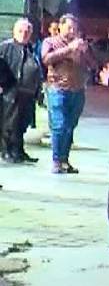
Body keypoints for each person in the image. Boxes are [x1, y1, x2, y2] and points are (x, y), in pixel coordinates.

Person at [39, 13, 95, 174]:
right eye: (69, 27)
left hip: (77, 90)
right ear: (60, 26)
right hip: (58, 89)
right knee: (59, 125)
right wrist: (68, 49)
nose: (72, 31)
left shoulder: (80, 44)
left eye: (75, 28)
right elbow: (46, 59)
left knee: (70, 126)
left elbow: (93, 64)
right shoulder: (51, 42)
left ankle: (65, 160)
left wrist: (85, 51)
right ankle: (56, 161)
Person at [0, 18, 42, 163]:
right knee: (9, 124)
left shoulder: (31, 48)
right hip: (11, 92)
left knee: (22, 123)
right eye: (21, 31)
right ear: (14, 31)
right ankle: (7, 151)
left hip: (28, 93)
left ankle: (19, 150)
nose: (24, 34)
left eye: (27, 31)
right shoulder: (6, 47)